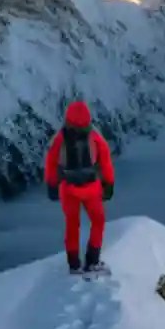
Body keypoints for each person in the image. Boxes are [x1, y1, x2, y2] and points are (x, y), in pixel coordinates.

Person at [44, 100, 115, 274]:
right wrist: (109, 184)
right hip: (91, 188)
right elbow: (105, 161)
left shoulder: (61, 138)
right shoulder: (94, 136)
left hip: (68, 189)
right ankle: (92, 260)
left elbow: (51, 162)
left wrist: (52, 185)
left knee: (72, 225)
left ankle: (74, 264)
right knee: (97, 221)